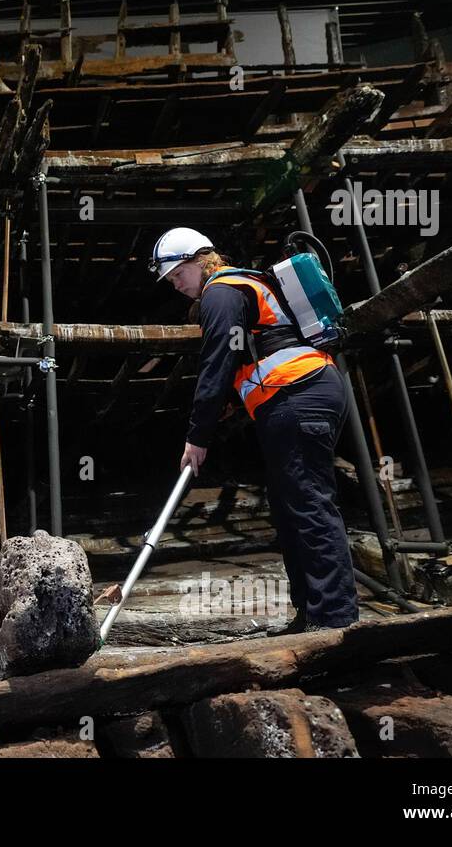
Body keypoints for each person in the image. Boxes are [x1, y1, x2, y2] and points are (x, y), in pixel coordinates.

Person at [150, 226, 358, 633]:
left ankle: (336, 621)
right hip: (299, 394)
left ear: (198, 260)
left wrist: (198, 436)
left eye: (177, 275)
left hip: (298, 395)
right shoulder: (243, 287)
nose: (175, 285)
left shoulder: (221, 292)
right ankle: (312, 614)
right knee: (289, 507)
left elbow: (216, 363)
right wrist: (229, 404)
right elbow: (245, 354)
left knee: (310, 505)